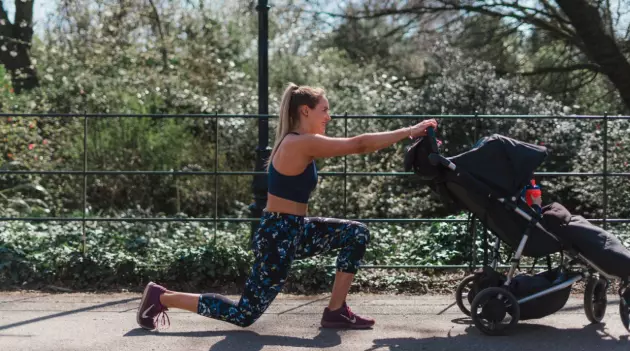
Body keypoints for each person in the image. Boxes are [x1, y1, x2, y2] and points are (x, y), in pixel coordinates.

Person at [135, 83, 438, 331]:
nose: (328, 117)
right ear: (305, 111)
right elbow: (358, 145)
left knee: (355, 234)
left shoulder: (301, 141)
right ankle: (163, 297)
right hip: (278, 235)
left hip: (295, 229)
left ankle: (335, 312)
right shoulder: (297, 143)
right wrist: (409, 131)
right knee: (244, 314)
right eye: (325, 110)